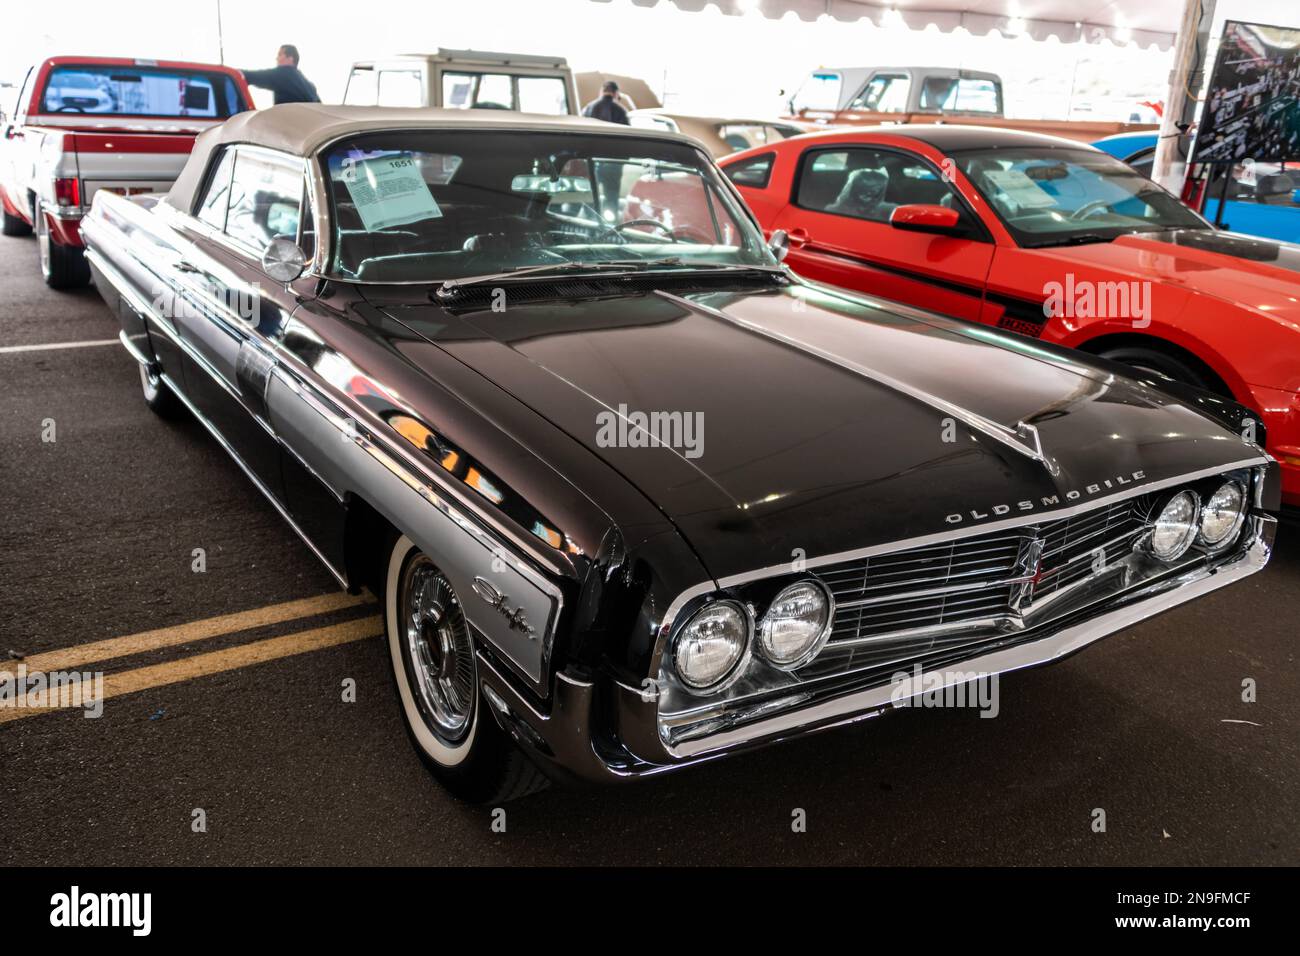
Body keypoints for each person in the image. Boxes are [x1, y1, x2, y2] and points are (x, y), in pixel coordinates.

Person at [242, 45, 320, 106]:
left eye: (280, 55)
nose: (277, 58)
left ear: (290, 58)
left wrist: (232, 72)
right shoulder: (311, 87)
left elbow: (250, 76)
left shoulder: (283, 74)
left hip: (287, 123)